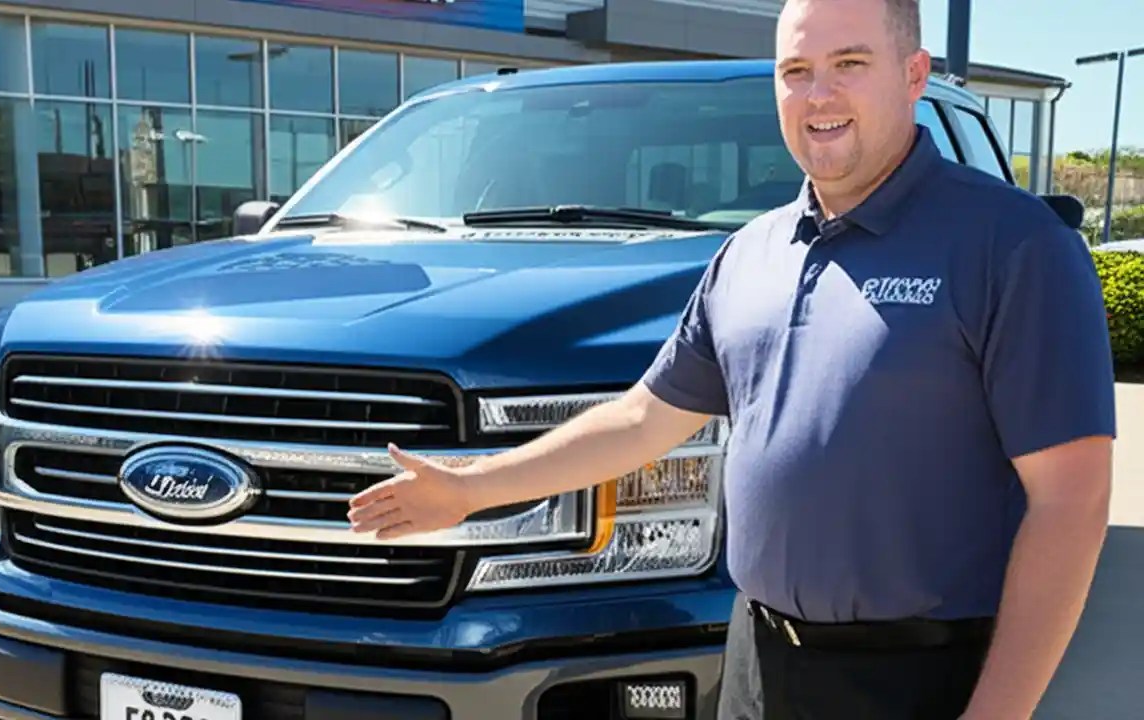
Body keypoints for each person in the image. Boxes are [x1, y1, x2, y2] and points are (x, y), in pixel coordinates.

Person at [348, 0, 1118, 716]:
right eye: (796, 71)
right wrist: (472, 488)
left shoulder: (1014, 246)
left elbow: (1071, 502)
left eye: (850, 64)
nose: (818, 95)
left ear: (913, 75)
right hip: (754, 661)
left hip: (921, 676)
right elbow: (643, 419)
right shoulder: (749, 254)